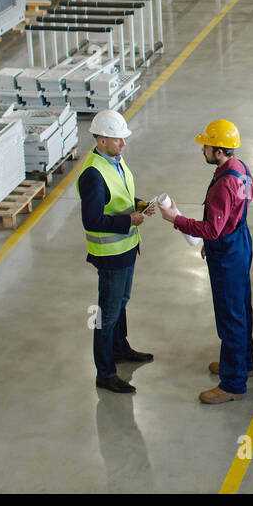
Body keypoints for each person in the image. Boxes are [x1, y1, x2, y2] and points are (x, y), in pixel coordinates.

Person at [159, 119, 253, 405]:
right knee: (242, 308)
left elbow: (212, 229)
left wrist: (175, 219)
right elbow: (238, 209)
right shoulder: (241, 170)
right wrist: (216, 240)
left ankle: (233, 383)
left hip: (227, 254)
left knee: (230, 316)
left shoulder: (223, 184)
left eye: (207, 145)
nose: (203, 149)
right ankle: (243, 363)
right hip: (238, 242)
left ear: (220, 150)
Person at [78, 109, 153, 395]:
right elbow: (92, 219)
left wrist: (139, 203)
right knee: (106, 315)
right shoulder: (93, 175)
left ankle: (120, 349)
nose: (123, 143)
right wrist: (128, 220)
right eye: (117, 139)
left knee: (122, 300)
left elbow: (119, 196)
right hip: (111, 256)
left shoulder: (115, 162)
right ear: (101, 139)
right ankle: (105, 373)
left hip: (127, 248)